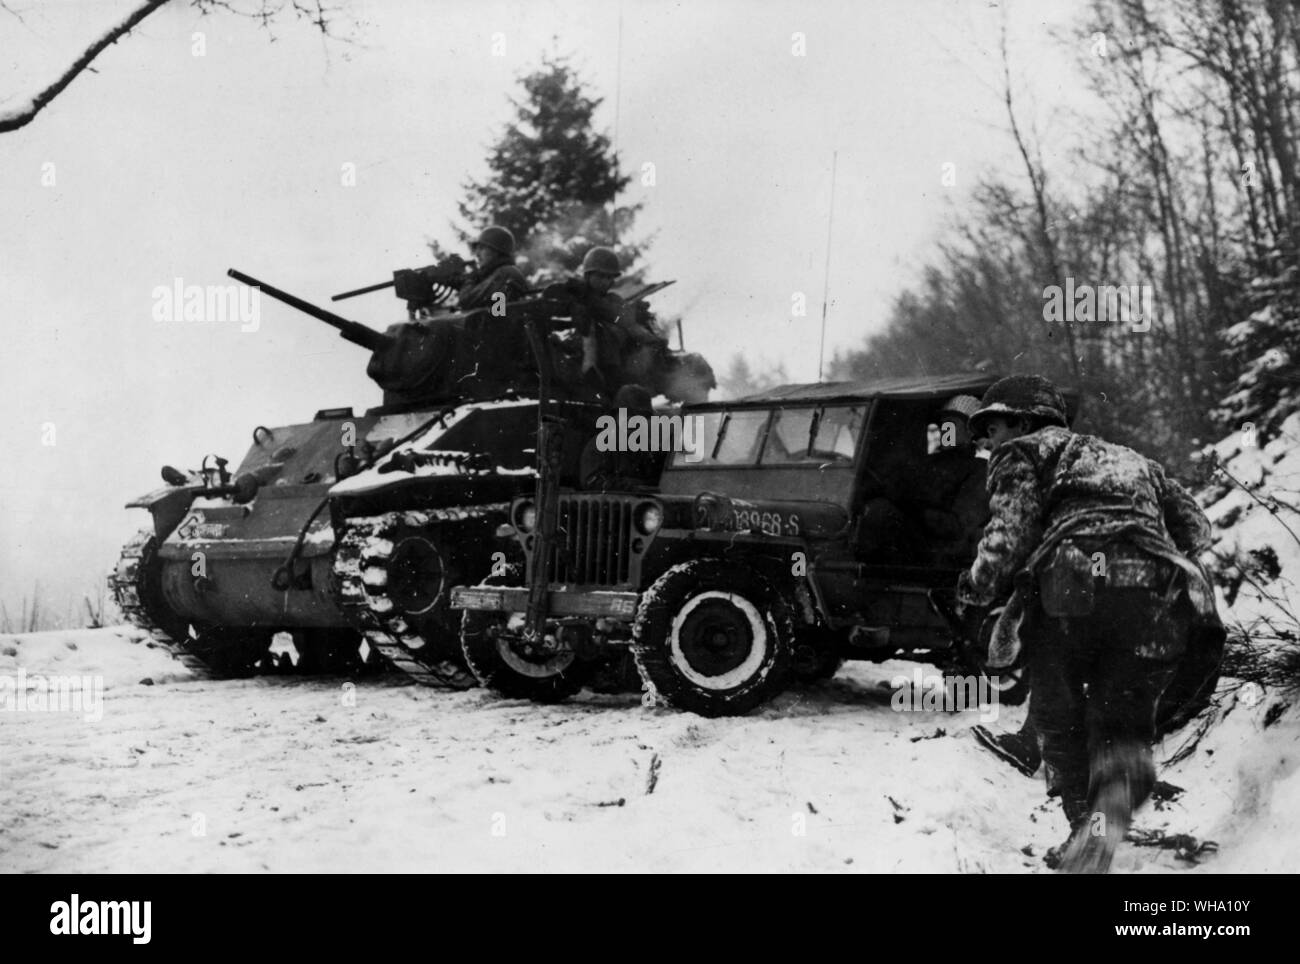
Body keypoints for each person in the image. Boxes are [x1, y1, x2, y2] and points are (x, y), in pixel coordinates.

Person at [954, 374, 1222, 873]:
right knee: (1120, 704)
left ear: (1024, 421)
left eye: (989, 428)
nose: (984, 443)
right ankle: (1121, 779)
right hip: (1151, 593)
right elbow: (1197, 528)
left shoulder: (1022, 453)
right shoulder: (1132, 459)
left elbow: (1010, 534)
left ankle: (1084, 825)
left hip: (1071, 584)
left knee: (1057, 712)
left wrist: (976, 587)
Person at [456, 225, 529, 310]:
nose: (477, 254)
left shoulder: (505, 272)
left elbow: (466, 301)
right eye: (477, 249)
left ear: (497, 251)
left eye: (482, 248)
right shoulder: (500, 272)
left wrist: (470, 279)